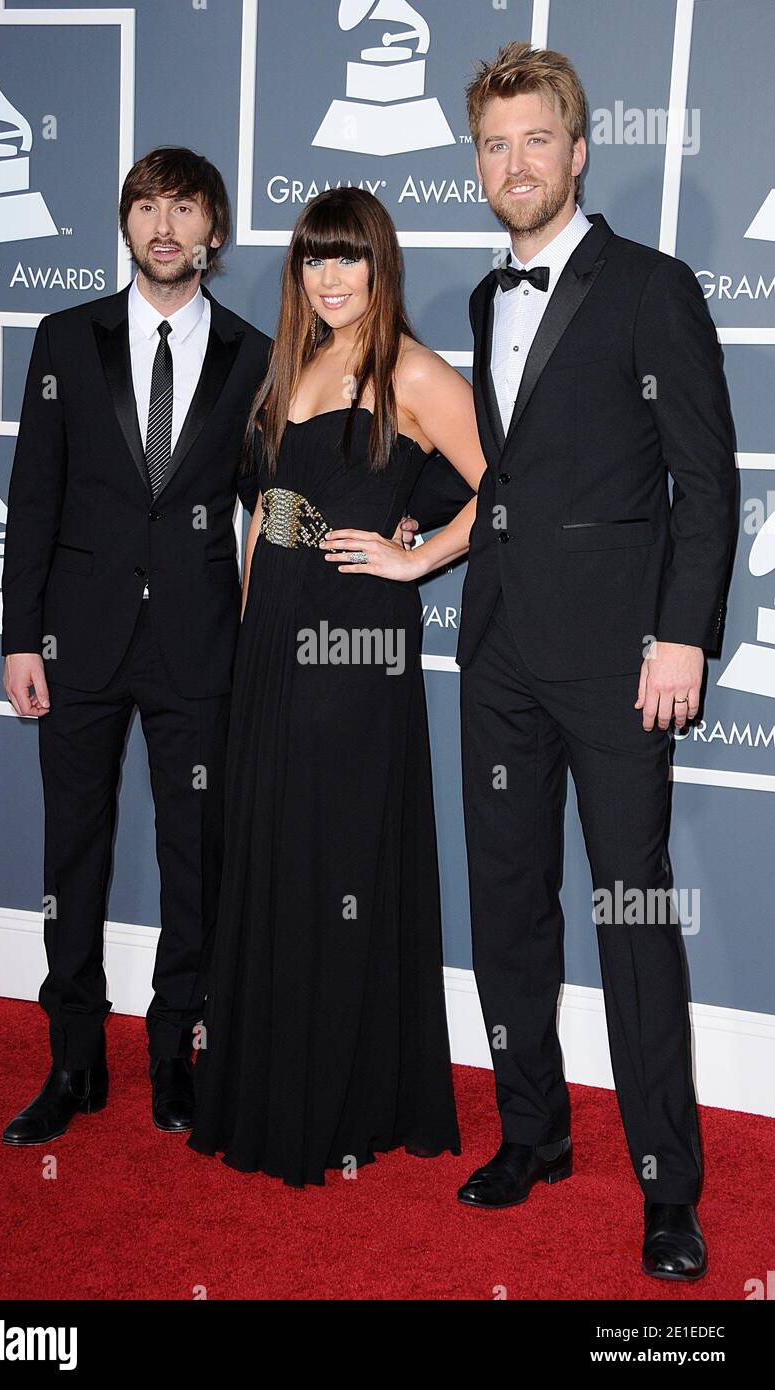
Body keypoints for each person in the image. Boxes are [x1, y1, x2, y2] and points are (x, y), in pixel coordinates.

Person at [456, 43, 737, 1281]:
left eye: (535, 141)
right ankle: (533, 1134)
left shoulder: (652, 285)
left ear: (578, 150)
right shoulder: (480, 297)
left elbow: (708, 481)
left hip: (623, 661)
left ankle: (667, 1187)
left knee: (630, 917)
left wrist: (681, 633)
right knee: (510, 908)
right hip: (502, 650)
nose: (514, 164)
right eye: (493, 145)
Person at [186, 187, 485, 1187]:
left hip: (356, 643)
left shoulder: (405, 364)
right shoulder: (292, 363)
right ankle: (271, 1077)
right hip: (273, 636)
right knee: (278, 844)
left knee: (336, 853)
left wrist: (418, 558)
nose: (330, 276)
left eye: (348, 258)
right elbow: (272, 515)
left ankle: (345, 1098)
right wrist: (243, 633)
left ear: (379, 264)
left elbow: (506, 483)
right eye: (315, 258)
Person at [0, 147, 275, 1143]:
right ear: (126, 224)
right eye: (146, 207)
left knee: (192, 856)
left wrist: (367, 536)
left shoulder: (254, 354)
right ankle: (74, 1061)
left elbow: (270, 503)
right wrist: (19, 635)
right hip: (76, 640)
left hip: (200, 647)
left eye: (184, 208)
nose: (164, 225)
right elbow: (33, 497)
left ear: (214, 230)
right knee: (74, 852)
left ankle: (174, 1054)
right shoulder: (65, 338)